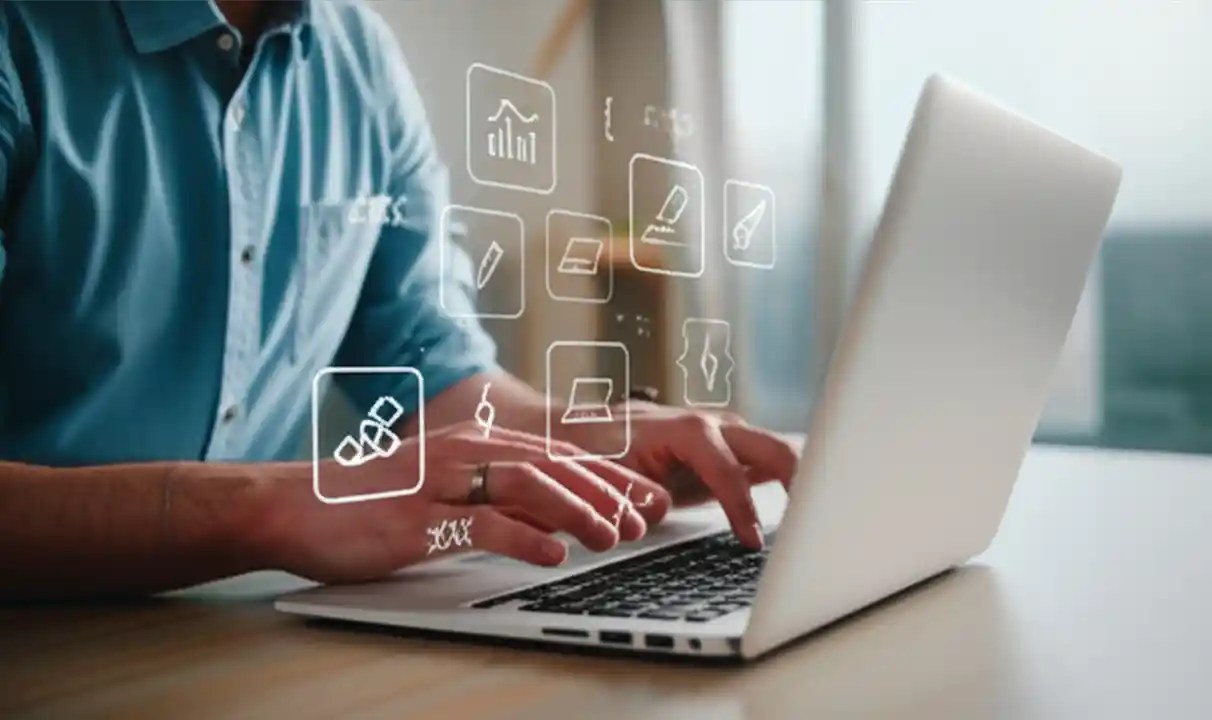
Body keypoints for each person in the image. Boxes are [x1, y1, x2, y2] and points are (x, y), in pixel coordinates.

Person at [0, 0, 798, 600]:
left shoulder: (359, 57)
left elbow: (432, 375)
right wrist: (271, 508)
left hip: (224, 635)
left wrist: (590, 444)